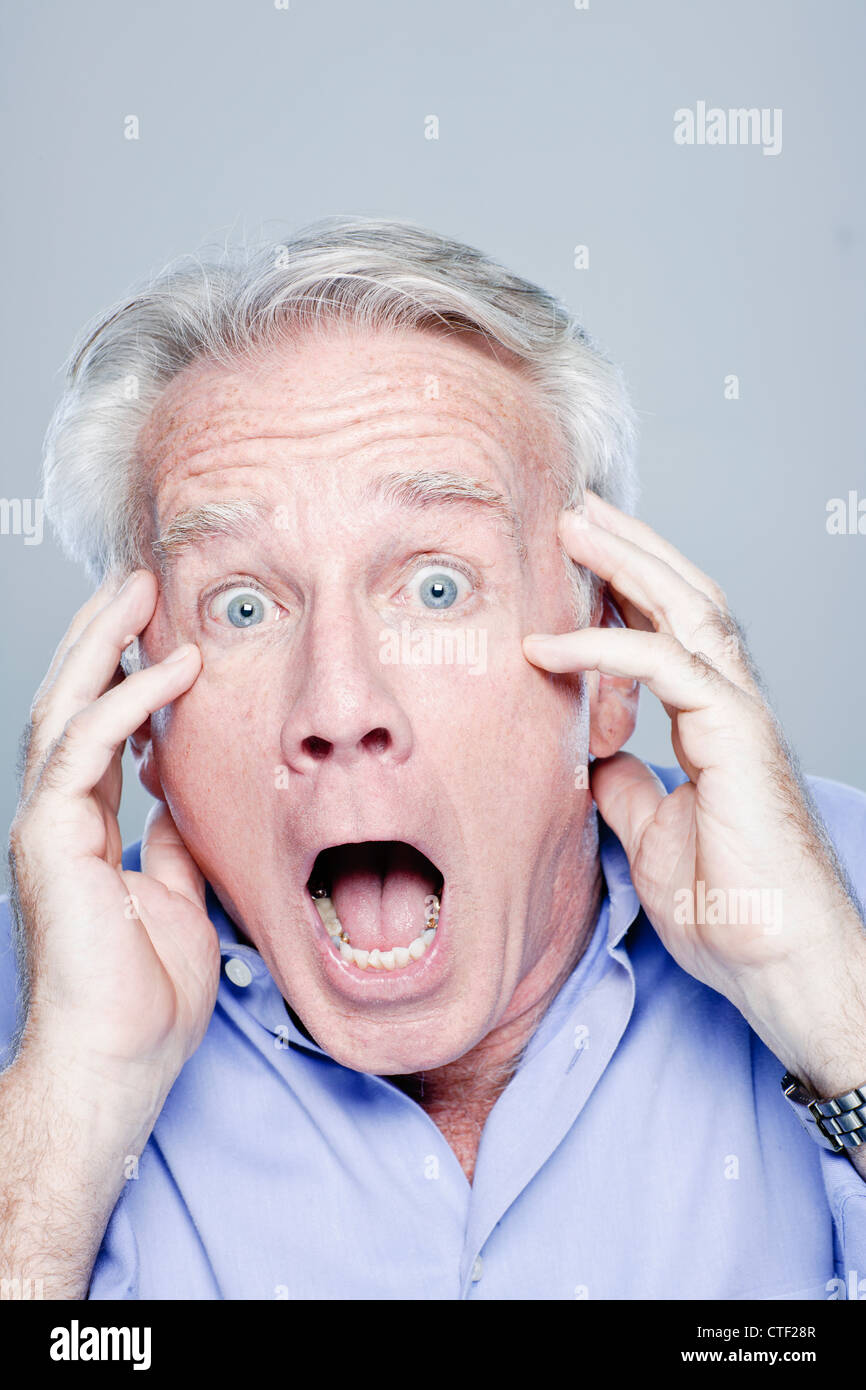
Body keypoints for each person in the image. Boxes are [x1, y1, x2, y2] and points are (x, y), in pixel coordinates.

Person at [2, 218, 865, 1301]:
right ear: (137, 717)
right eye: (242, 604)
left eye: (436, 587)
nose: (338, 703)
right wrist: (72, 1103)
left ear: (611, 662)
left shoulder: (834, 893)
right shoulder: (40, 1002)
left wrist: (832, 1007)